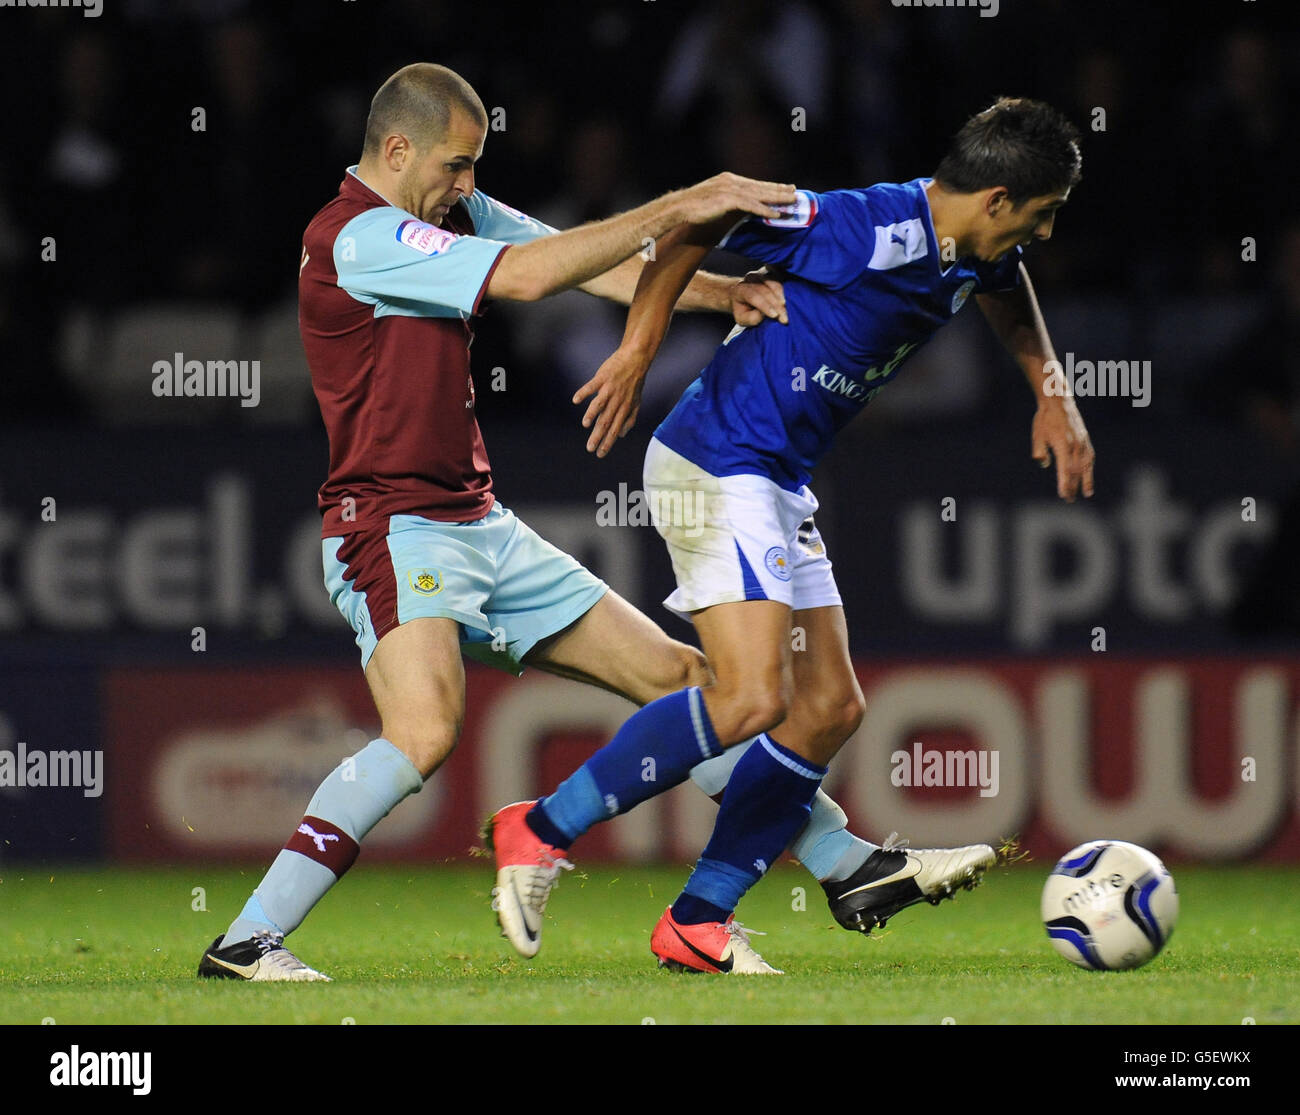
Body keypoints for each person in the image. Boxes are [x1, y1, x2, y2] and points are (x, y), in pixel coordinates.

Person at [197, 62, 882, 981]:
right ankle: (247, 940)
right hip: (391, 524)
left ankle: (845, 861)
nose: (469, 182)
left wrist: (718, 292)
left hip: (481, 521)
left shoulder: (450, 212)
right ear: (396, 149)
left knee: (686, 677)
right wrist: (690, 202)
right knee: (424, 732)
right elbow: (525, 278)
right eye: (456, 163)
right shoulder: (355, 238)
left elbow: (587, 263)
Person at [490, 97, 1095, 975]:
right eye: (1041, 214)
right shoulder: (861, 226)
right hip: (717, 458)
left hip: (775, 480)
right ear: (996, 199)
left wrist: (1053, 392)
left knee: (831, 708)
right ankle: (541, 827)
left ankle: (698, 918)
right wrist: (639, 347)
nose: (1041, 234)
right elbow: (698, 224)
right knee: (748, 699)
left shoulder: (979, 247)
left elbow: (1007, 291)